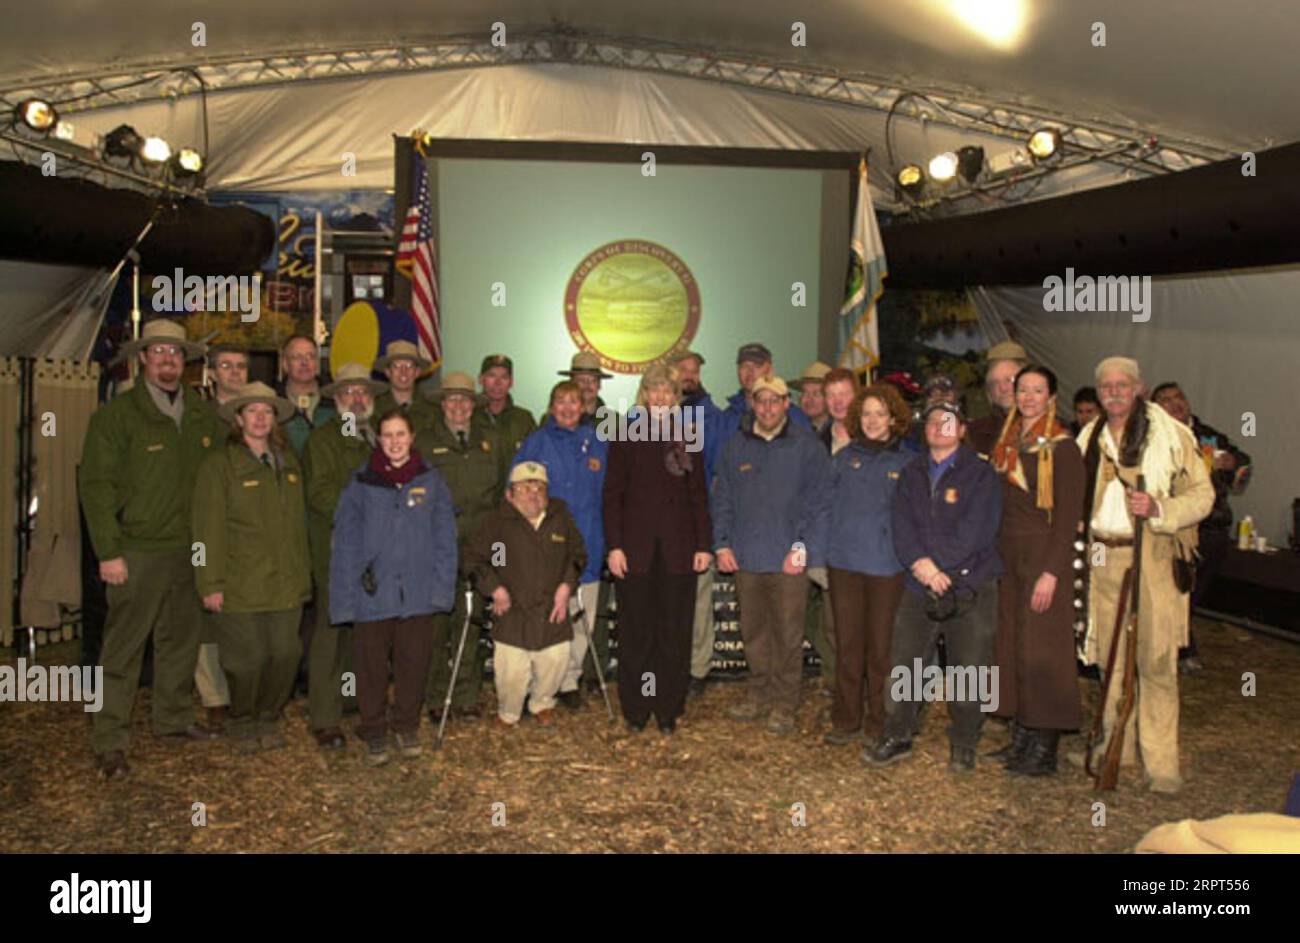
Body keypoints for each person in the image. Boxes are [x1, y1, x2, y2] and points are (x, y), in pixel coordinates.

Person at [80, 319, 224, 779]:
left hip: (189, 549)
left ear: (186, 362)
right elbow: (96, 486)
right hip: (136, 550)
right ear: (142, 357)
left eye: (176, 353)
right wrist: (108, 551)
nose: (168, 360)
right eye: (159, 351)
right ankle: (109, 740)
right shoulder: (116, 418)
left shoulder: (202, 417)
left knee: (180, 642)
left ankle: (174, 719)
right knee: (122, 650)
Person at [1075, 358, 1213, 793]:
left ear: (1139, 387)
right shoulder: (1089, 436)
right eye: (1106, 386)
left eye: (1123, 384)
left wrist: (1159, 510)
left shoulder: (1171, 436)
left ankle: (1161, 762)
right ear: (1098, 393)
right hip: (1103, 557)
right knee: (1109, 661)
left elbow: (1203, 494)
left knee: (1154, 661)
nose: (1114, 392)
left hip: (1151, 555)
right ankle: (1115, 745)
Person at [866, 400, 1003, 773]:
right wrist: (922, 566)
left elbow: (977, 530)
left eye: (948, 422)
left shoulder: (981, 474)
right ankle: (898, 733)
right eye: (931, 422)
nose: (938, 427)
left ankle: (964, 741)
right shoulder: (911, 473)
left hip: (970, 583)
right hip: (919, 583)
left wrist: (940, 566)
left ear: (961, 430)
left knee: (969, 668)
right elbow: (901, 524)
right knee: (906, 663)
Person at [330, 409, 457, 766]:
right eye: (387, 435)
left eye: (401, 434)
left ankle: (406, 725)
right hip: (372, 594)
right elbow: (344, 544)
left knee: (413, 665)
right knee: (370, 669)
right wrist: (345, 600)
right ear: (379, 439)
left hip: (417, 595)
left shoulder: (430, 481)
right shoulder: (361, 483)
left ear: (412, 437)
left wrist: (440, 592)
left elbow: (446, 539)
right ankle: (373, 731)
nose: (395, 442)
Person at [192, 382, 312, 754]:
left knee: (285, 655)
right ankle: (242, 719)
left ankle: (268, 716)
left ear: (275, 419)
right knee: (245, 661)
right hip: (240, 581)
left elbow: (298, 525)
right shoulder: (219, 466)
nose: (260, 418)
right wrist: (208, 582)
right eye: (252, 411)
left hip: (285, 582)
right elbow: (203, 531)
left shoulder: (288, 463)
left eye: (267, 411)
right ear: (239, 418)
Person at [713, 376, 830, 735]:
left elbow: (819, 503)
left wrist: (801, 547)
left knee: (788, 632)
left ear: (785, 404)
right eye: (760, 401)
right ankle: (758, 693)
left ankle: (784, 702)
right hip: (747, 557)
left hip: (788, 559)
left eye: (774, 401)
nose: (766, 408)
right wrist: (722, 543)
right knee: (754, 630)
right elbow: (722, 500)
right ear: (752, 403)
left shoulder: (806, 447)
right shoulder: (734, 446)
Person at [603, 366, 713, 732]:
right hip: (634, 552)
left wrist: (703, 544)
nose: (661, 397)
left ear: (676, 396)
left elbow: (698, 494)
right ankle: (636, 710)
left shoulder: (689, 435)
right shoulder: (625, 434)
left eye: (667, 391)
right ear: (644, 395)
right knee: (637, 635)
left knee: (673, 634)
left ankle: (668, 710)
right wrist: (615, 546)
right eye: (654, 391)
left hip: (679, 552)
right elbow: (612, 495)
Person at [988, 365, 1085, 775]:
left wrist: (1053, 571)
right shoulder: (1008, 443)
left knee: (1044, 649)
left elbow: (1068, 518)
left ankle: (1044, 745)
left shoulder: (1063, 448)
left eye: (1036, 391)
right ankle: (1022, 733)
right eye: (1021, 389)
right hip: (1008, 558)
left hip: (1043, 557)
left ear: (1050, 397)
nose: (1027, 397)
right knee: (1012, 645)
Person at [301, 362, 387, 749]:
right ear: (336, 399)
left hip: (379, 552)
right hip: (337, 550)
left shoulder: (380, 437)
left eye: (363, 393)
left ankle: (352, 699)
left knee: (364, 630)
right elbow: (319, 494)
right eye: (349, 393)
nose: (357, 399)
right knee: (330, 633)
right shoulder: (325, 441)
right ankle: (324, 717)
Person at [822, 383, 913, 746]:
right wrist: (819, 556)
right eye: (866, 414)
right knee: (848, 645)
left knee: (881, 649)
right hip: (844, 565)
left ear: (893, 418)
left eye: (880, 414)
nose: (873, 421)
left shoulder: (907, 463)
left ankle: (880, 721)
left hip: (888, 569)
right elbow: (824, 507)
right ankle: (846, 719)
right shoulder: (843, 458)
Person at [465, 461, 587, 727]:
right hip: (513, 610)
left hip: (551, 609)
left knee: (555, 661)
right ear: (510, 493)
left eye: (539, 488)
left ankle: (542, 703)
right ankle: (509, 711)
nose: (533, 494)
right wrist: (494, 589)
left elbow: (577, 555)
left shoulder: (560, 517)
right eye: (525, 488)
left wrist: (566, 587)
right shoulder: (497, 523)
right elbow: (474, 561)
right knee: (511, 671)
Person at [512, 380, 609, 710]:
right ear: (552, 407)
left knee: (582, 618)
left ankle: (569, 681)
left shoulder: (598, 442)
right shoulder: (535, 444)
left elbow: (611, 494)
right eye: (561, 402)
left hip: (590, 545)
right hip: (545, 550)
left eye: (574, 402)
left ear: (582, 407)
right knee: (544, 617)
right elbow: (516, 495)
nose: (568, 408)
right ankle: (539, 685)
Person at [414, 371, 504, 722]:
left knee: (471, 619)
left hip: (478, 545)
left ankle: (464, 694)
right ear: (442, 404)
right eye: (451, 399)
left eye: (464, 400)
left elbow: (499, 497)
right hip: (437, 545)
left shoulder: (489, 440)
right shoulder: (423, 442)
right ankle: (437, 696)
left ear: (473, 405)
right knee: (437, 624)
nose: (458, 406)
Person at [1150, 381, 1252, 673]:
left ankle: (1180, 644)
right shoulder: (1154, 439)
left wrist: (1234, 465)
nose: (1175, 403)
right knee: (1174, 590)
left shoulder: (1209, 436)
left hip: (1210, 530)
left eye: (1178, 397)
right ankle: (1180, 649)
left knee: (1192, 593)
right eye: (1166, 400)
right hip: (1173, 530)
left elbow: (1243, 468)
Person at [196, 342, 250, 731]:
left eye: (241, 366)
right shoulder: (200, 418)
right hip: (211, 524)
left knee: (243, 615)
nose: (235, 373)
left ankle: (243, 692)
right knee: (209, 614)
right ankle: (214, 697)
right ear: (212, 372)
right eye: (226, 366)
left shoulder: (258, 415)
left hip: (250, 530)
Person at [671, 350, 727, 698]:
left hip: (695, 523)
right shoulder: (651, 417)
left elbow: (719, 476)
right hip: (660, 525)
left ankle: (697, 668)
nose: (689, 376)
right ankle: (669, 664)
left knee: (698, 600)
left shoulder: (713, 418)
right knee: (667, 600)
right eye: (683, 371)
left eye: (694, 371)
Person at [718, 342, 812, 448]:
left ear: (770, 370)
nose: (750, 371)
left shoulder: (793, 416)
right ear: (738, 371)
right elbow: (713, 458)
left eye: (757, 366)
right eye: (745, 366)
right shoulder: (727, 418)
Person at [277, 334, 337, 456]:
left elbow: (351, 439)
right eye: (296, 357)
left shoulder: (338, 399)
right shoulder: (272, 403)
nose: (304, 362)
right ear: (285, 364)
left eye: (310, 356)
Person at [966, 340, 1027, 455]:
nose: (1003, 388)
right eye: (995, 382)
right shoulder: (975, 433)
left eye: (1009, 380)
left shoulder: (1051, 429)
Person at [476, 354, 536, 459]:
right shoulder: (469, 416)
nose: (498, 382)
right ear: (481, 379)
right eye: (492, 376)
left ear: (511, 382)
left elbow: (535, 458)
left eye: (504, 377)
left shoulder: (524, 420)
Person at [373, 340, 439, 434]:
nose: (403, 372)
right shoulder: (373, 408)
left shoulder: (434, 410)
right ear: (387, 372)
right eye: (397, 366)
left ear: (417, 372)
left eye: (409, 366)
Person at [557, 350, 616, 426]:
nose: (587, 385)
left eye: (592, 380)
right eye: (581, 380)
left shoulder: (614, 422)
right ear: (571, 383)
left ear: (599, 384)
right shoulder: (554, 419)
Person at [789, 362, 832, 435]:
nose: (809, 399)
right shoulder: (790, 423)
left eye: (816, 394)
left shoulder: (840, 430)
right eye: (805, 393)